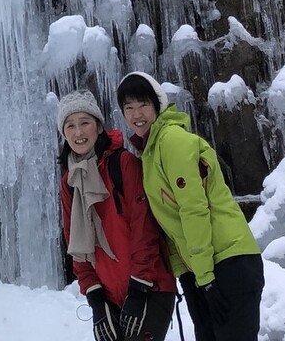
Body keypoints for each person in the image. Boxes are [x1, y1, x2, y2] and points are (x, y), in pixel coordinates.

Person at [116, 72, 264, 341]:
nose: (137, 114)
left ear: (157, 105)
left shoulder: (172, 141)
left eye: (143, 105)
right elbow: (170, 225)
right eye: (129, 107)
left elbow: (193, 209)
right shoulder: (150, 152)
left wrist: (205, 277)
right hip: (205, 267)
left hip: (228, 262)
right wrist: (186, 274)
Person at [57, 90, 176, 341]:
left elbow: (145, 228)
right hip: (108, 295)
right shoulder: (70, 181)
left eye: (85, 123)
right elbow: (74, 244)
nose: (78, 132)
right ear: (63, 133)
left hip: (149, 287)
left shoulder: (122, 164)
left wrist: (139, 286)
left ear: (99, 127)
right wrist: (96, 298)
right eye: (70, 126)